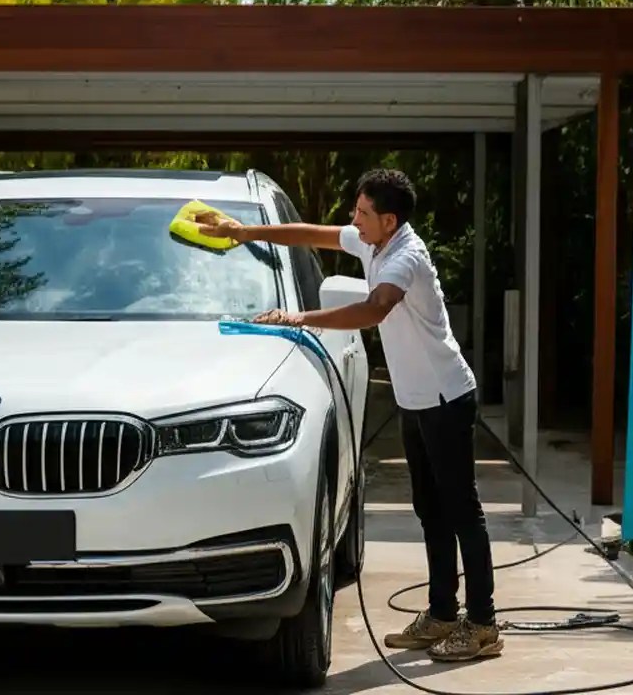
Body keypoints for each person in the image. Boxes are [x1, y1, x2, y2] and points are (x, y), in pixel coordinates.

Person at [194, 168, 502, 662]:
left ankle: (483, 623)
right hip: (415, 401)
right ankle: (443, 612)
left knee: (462, 511)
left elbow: (374, 309)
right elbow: (313, 234)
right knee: (431, 511)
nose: (352, 220)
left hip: (446, 399)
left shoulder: (406, 257)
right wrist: (245, 232)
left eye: (361, 213)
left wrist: (302, 318)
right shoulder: (373, 242)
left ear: (389, 219)